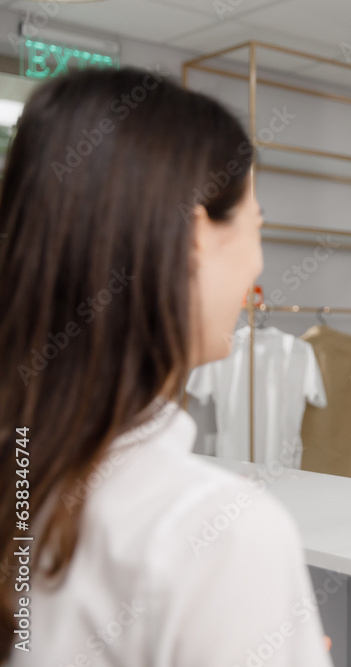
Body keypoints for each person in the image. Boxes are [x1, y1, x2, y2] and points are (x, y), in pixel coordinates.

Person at [0, 68, 332, 665]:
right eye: (257, 228)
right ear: (197, 237)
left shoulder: (21, 468)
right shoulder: (221, 532)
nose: (257, 268)